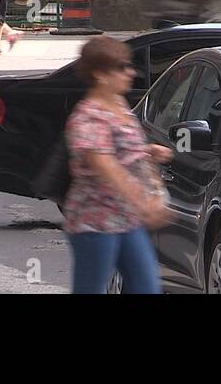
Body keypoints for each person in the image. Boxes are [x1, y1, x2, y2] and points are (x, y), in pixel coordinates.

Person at [63, 36, 174, 294]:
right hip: (95, 221)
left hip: (126, 218)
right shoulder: (89, 117)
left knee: (146, 288)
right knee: (90, 290)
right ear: (100, 75)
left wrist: (147, 152)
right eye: (122, 67)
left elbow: (121, 153)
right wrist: (144, 203)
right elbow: (106, 166)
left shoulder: (119, 105)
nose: (131, 72)